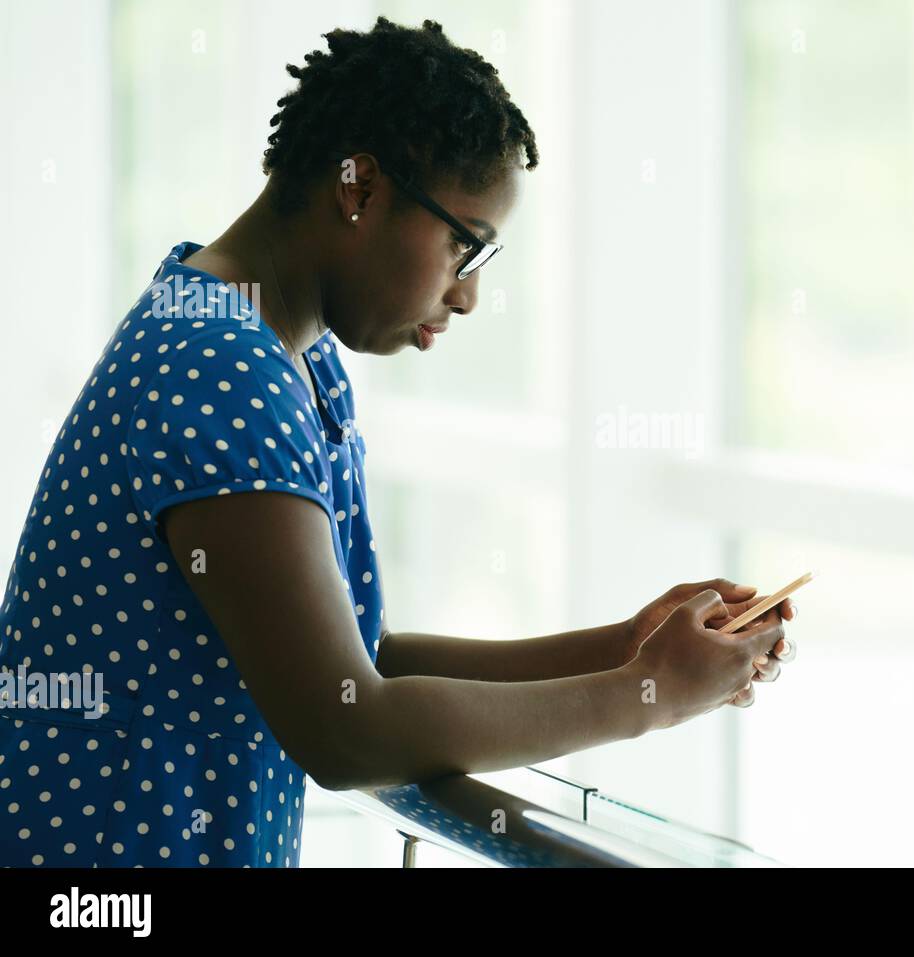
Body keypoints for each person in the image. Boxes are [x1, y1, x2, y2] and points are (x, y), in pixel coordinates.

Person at [0, 16, 796, 869]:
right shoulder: (216, 370)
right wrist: (649, 695)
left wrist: (625, 648)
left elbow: (349, 657)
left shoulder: (283, 354)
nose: (468, 295)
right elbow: (346, 726)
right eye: (464, 244)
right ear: (361, 190)